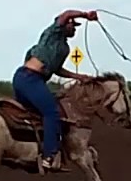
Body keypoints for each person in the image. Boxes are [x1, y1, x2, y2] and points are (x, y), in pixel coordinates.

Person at [12, 9, 99, 172]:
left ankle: (30, 151)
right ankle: (49, 156)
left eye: (75, 26)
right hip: (30, 79)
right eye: (72, 25)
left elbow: (57, 69)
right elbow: (66, 14)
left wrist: (78, 76)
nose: (74, 29)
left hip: (29, 80)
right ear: (64, 25)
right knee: (52, 113)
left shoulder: (64, 48)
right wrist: (85, 15)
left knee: (39, 113)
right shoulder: (52, 33)